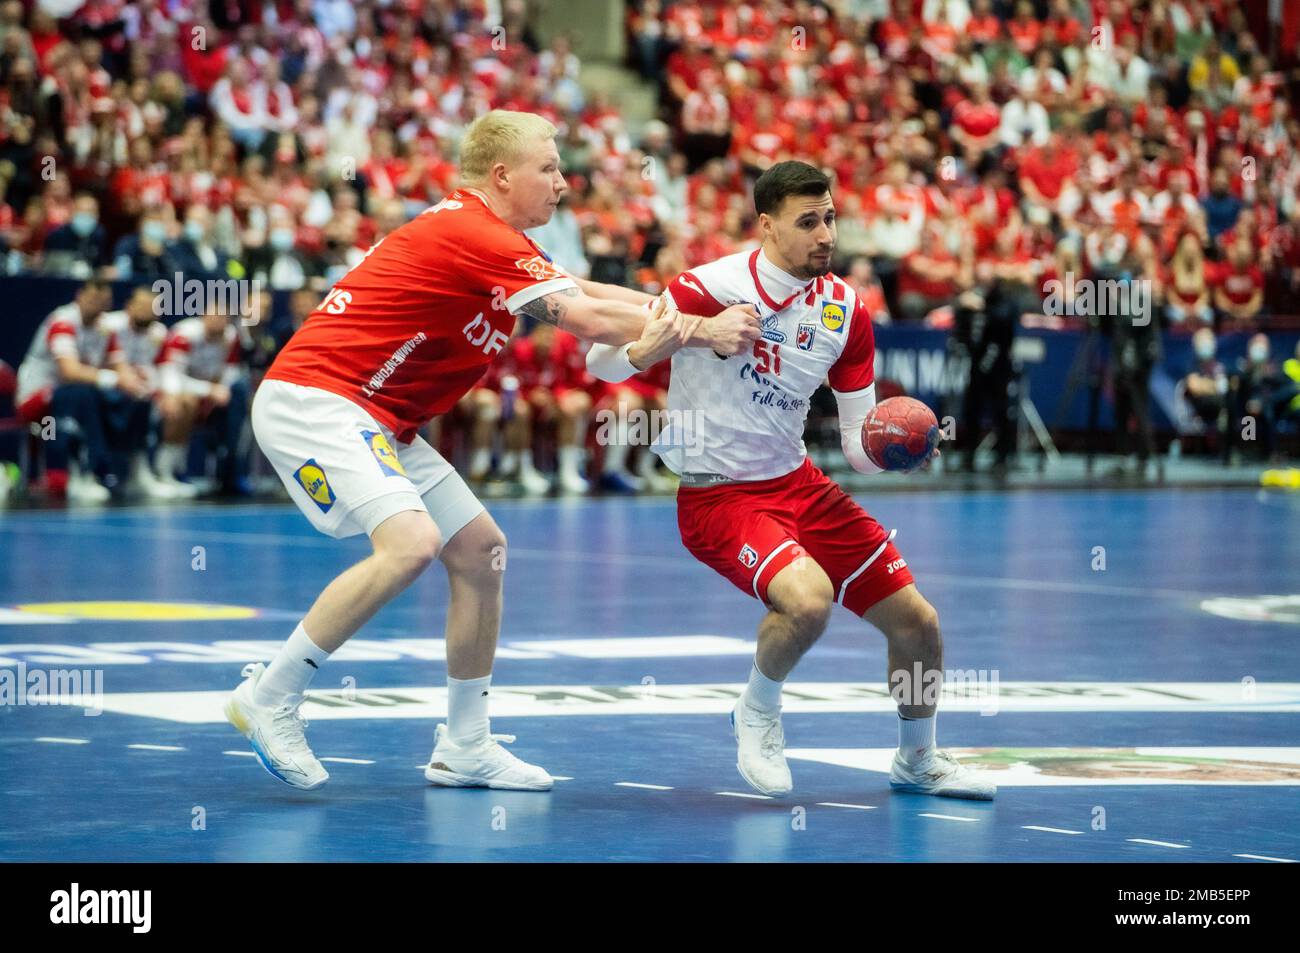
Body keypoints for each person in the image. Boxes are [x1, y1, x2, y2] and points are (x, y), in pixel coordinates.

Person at [225, 110, 761, 791]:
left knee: (481, 552)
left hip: (380, 416)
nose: (564, 184)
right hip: (319, 400)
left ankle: (465, 744)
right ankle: (270, 696)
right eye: (550, 168)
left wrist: (681, 306)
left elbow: (591, 292)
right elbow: (592, 320)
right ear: (504, 175)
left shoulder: (495, 239)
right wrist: (703, 329)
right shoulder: (472, 230)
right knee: (412, 542)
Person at [587, 161, 995, 800]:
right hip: (717, 491)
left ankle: (917, 759)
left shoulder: (846, 312)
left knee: (918, 623)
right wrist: (670, 343)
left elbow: (859, 448)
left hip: (799, 484)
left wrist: (896, 450)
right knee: (808, 600)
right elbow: (602, 359)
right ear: (767, 225)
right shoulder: (708, 286)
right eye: (808, 222)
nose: (825, 234)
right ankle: (755, 709)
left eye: (829, 217)